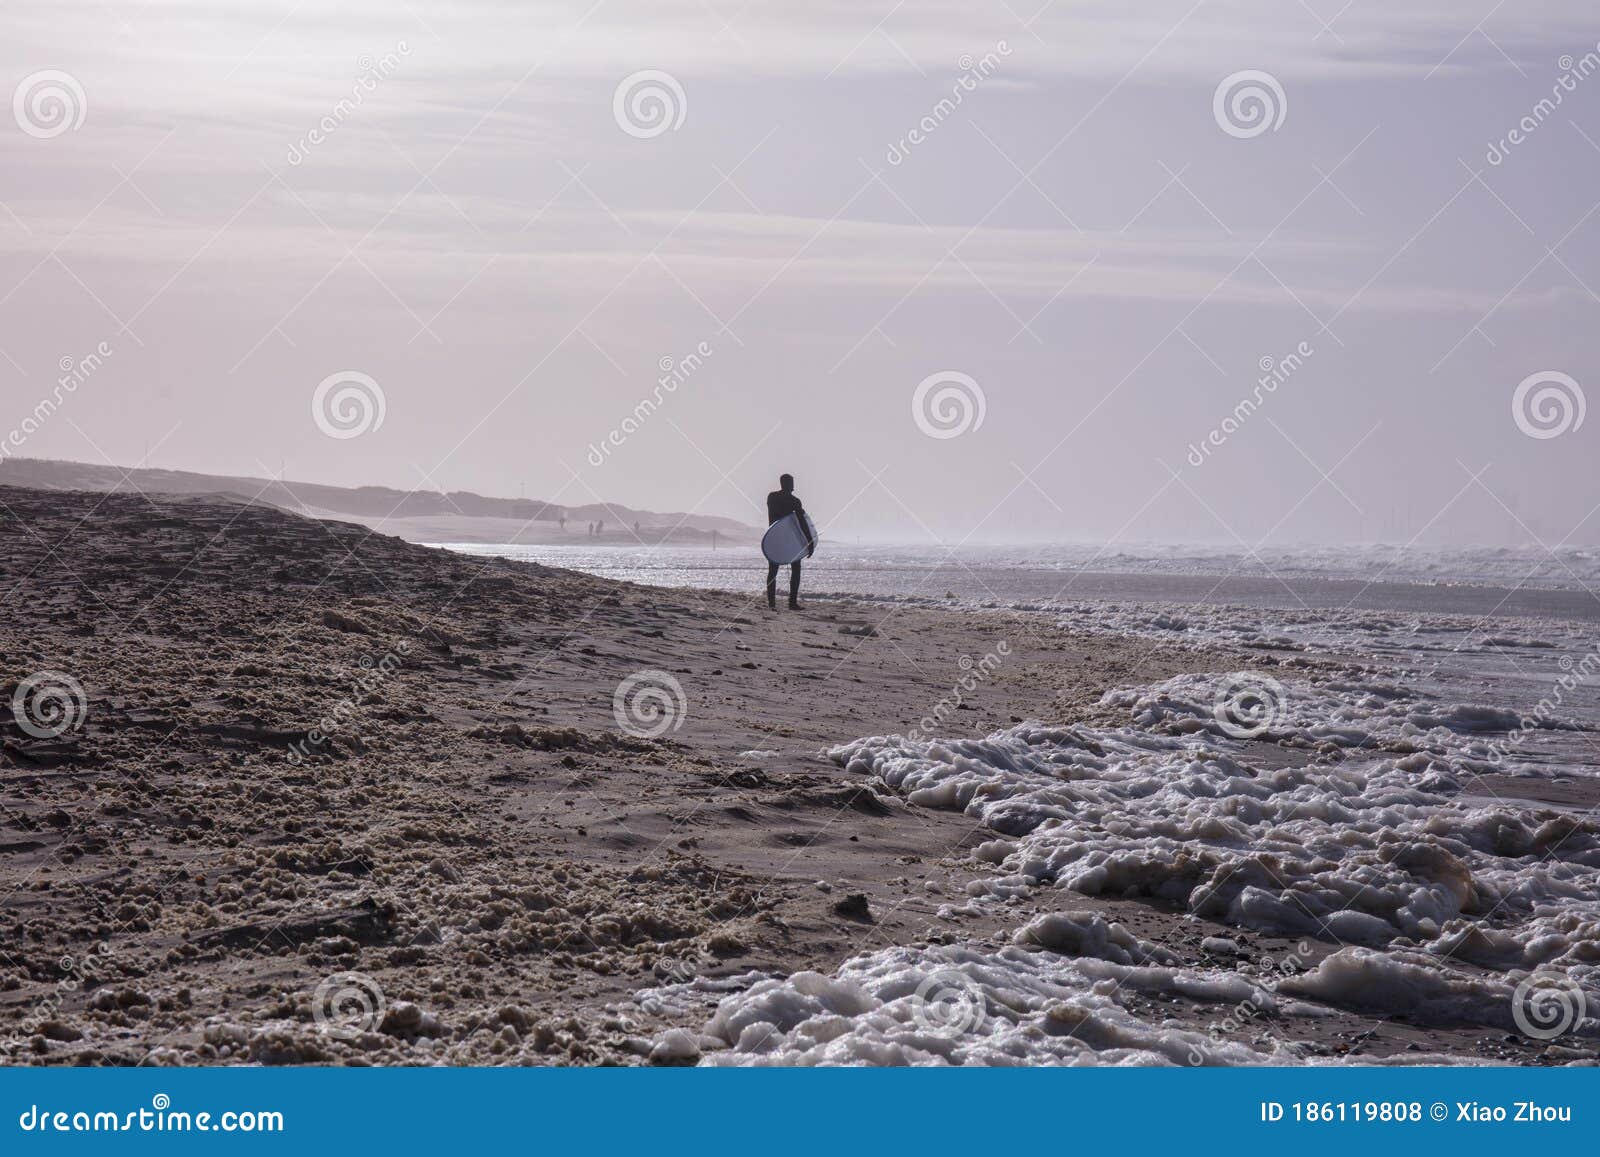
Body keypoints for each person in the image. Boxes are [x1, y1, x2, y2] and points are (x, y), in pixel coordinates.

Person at [765, 473, 815, 611]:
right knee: (795, 569)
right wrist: (809, 542)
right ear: (789, 484)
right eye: (791, 483)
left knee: (773, 570)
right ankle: (791, 603)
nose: (792, 485)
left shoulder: (772, 497)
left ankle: (772, 603)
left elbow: (774, 516)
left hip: (774, 538)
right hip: (789, 540)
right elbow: (802, 522)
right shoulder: (794, 501)